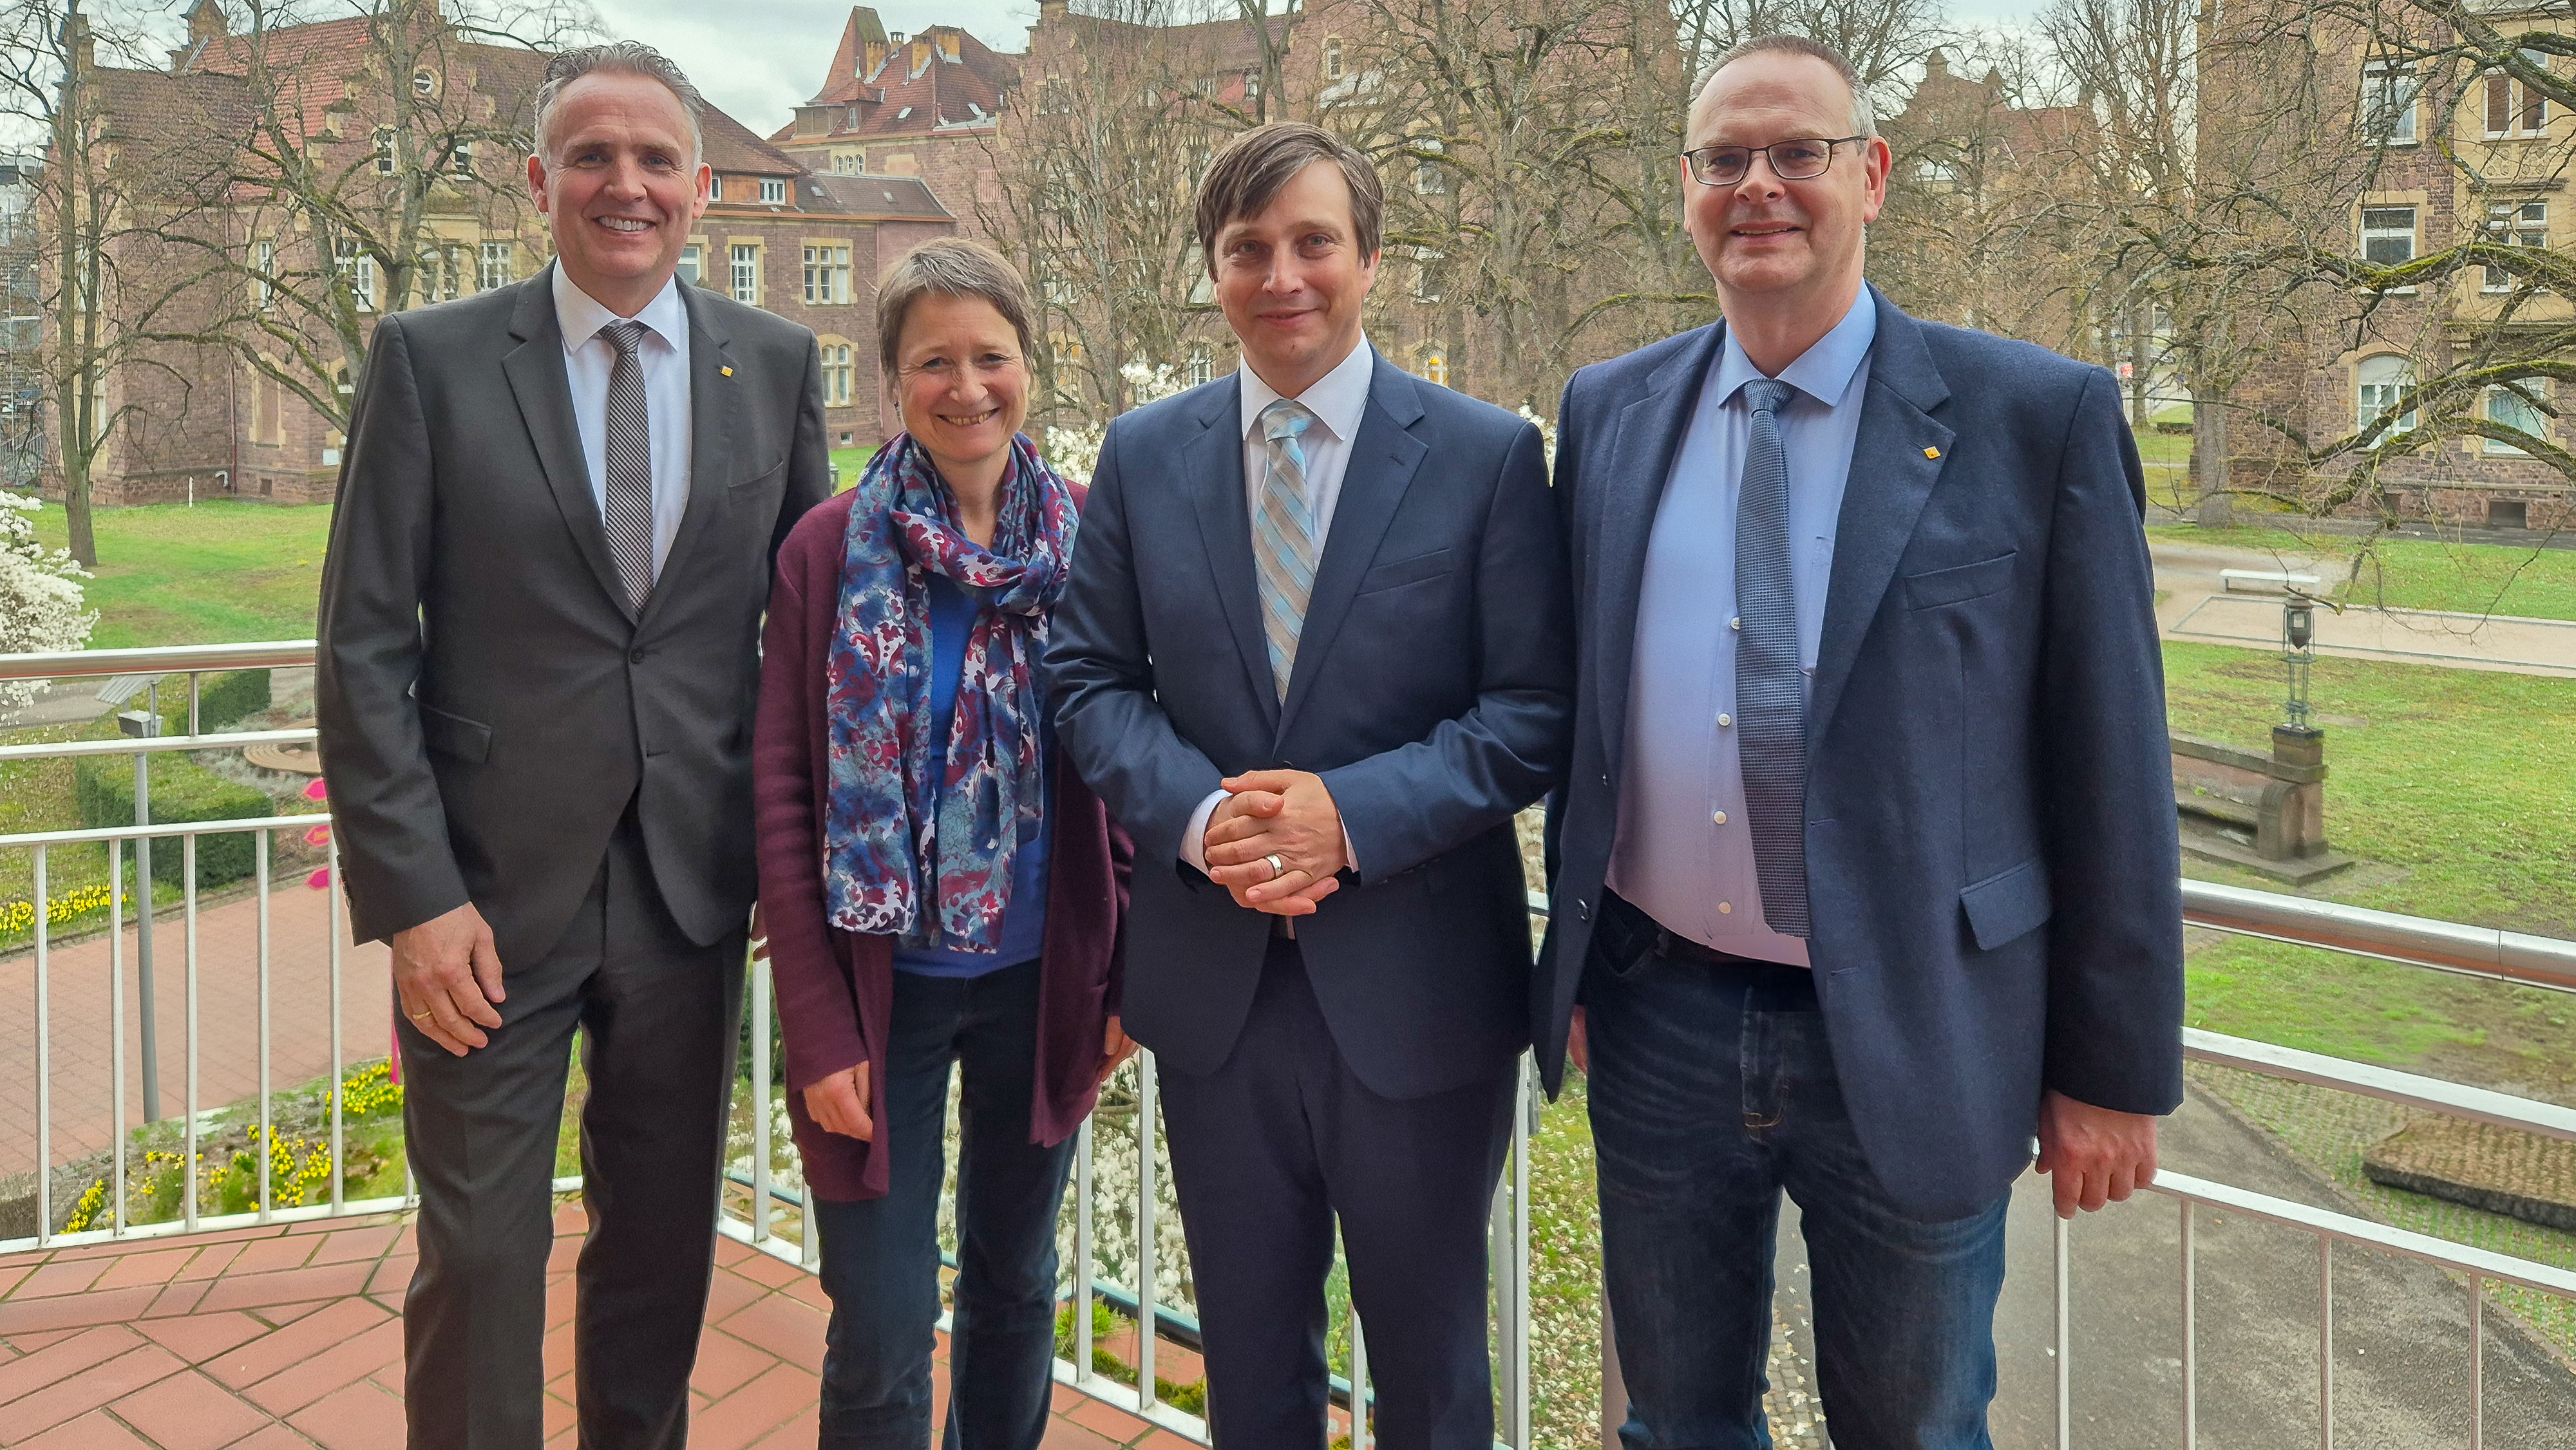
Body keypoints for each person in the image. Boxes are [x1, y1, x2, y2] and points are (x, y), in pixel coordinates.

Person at [1534, 35, 2184, 1450]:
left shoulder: (2032, 416)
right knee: (1673, 1422)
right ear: (1685, 189)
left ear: (1870, 174)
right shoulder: (1609, 411)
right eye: (1722, 159)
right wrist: (1570, 959)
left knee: (1912, 1428)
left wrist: (2112, 1067)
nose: (1757, 185)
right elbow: (1580, 709)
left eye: (1795, 152)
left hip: (1914, 1025)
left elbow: (2112, 762)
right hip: (1658, 1018)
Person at [314, 41, 831, 1449]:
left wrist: (797, 861)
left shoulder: (774, 365)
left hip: (689, 888)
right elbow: (363, 645)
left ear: (701, 186)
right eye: (592, 156)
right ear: (540, 181)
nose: (626, 184)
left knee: (661, 1248)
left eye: (656, 159)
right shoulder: (430, 360)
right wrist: (414, 899)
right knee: (480, 1255)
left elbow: (808, 644)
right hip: (484, 901)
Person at [1046, 122, 1573, 1450]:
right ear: (1214, 273)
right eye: (1245, 250)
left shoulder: (1483, 456)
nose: (1281, 274)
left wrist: (1354, 815)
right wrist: (1200, 815)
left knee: (1432, 1374)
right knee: (1250, 1367)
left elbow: (1532, 710)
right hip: (1216, 999)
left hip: (1414, 1000)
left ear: (1370, 259)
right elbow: (1087, 682)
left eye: (1311, 242)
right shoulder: (1142, 454)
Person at [751, 237, 1133, 1450]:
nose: (967, 386)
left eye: (991, 357)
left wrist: (1128, 965)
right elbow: (780, 791)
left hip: (1040, 982)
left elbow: (1133, 762)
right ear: (891, 382)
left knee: (1016, 1292)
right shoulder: (826, 550)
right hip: (882, 996)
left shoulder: (1090, 539)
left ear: (1030, 367)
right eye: (934, 362)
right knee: (880, 1314)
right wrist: (815, 1027)